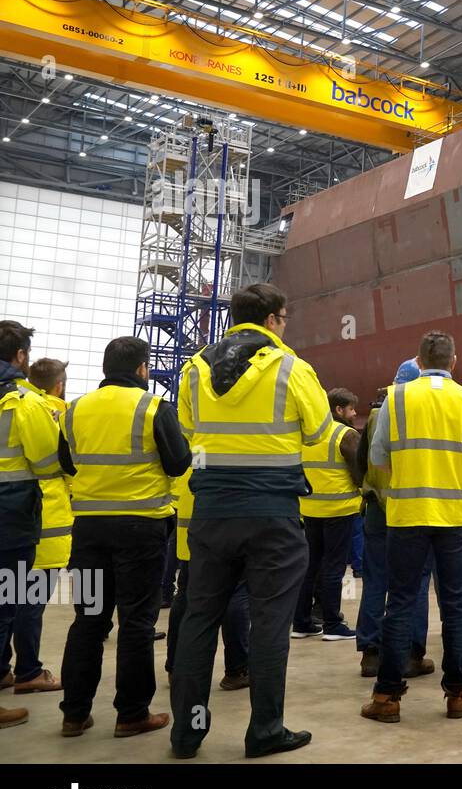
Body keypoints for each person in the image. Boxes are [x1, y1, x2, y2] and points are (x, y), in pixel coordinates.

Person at [170, 283, 332, 759]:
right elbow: (321, 434)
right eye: (284, 317)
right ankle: (263, 731)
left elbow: (185, 432)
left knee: (200, 619)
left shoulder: (195, 368)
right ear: (271, 321)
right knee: (269, 622)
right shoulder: (291, 368)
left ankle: (187, 733)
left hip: (212, 512)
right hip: (272, 516)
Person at [58, 336, 190, 738]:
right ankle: (132, 713)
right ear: (141, 369)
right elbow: (179, 461)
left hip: (89, 531)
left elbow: (68, 462)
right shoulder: (152, 407)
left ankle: (75, 714)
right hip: (141, 530)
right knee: (136, 622)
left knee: (89, 620)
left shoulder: (75, 409)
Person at [361, 331, 462, 722]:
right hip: (455, 518)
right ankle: (458, 695)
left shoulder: (396, 398)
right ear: (454, 361)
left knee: (399, 602)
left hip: (407, 516)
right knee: (456, 605)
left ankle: (387, 699)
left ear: (418, 360)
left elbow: (378, 459)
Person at [0, 321, 62, 731]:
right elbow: (47, 462)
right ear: (20, 356)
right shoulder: (23, 404)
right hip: (12, 515)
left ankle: (5, 670)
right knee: (7, 604)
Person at [355, 367, 435, 679]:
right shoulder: (426, 412)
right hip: (414, 508)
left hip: (378, 507)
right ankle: (411, 655)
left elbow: (363, 462)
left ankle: (371, 655)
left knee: (376, 579)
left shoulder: (376, 415)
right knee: (415, 583)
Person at [165, 466, 251, 690]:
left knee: (186, 595)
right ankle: (237, 669)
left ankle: (177, 669)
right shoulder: (231, 435)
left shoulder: (190, 433)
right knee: (235, 593)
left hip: (190, 517)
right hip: (227, 516)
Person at [292, 387, 364, 642]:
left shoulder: (307, 435)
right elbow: (359, 474)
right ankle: (333, 623)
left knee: (309, 565)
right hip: (339, 510)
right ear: (338, 410)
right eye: (351, 409)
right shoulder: (345, 435)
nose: (355, 413)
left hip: (310, 509)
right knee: (335, 567)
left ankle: (301, 622)